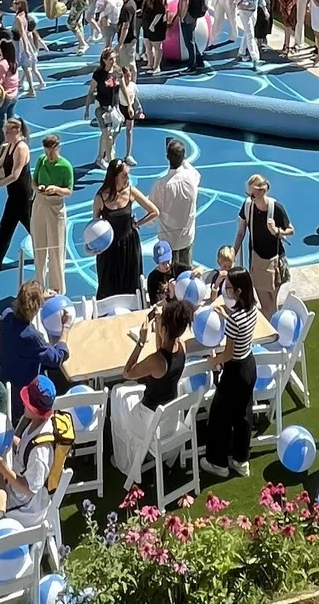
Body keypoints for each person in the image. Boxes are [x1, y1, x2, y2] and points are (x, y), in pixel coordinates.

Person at [109, 294, 192, 488]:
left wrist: (140, 341)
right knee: (126, 394)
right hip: (169, 418)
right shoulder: (182, 347)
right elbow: (163, 348)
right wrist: (159, 324)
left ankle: (123, 460)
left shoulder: (156, 361)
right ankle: (134, 453)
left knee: (118, 393)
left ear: (163, 329)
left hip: (148, 420)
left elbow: (127, 372)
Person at [0, 373, 66, 527]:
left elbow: (28, 490)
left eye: (27, 402)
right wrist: (7, 438)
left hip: (26, 510)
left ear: (35, 409)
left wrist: (2, 467)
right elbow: (25, 446)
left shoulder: (40, 452)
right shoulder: (38, 424)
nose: (23, 402)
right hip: (18, 492)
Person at [201, 266, 259, 477]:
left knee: (220, 415)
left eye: (230, 288)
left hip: (235, 370)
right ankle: (241, 460)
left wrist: (213, 361)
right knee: (244, 415)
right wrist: (226, 315)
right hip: (249, 365)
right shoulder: (252, 309)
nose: (227, 291)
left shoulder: (234, 320)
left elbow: (228, 353)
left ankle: (218, 463)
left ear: (239, 292)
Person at [0, 278, 71, 398]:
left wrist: (40, 297)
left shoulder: (6, 316)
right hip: (23, 394)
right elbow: (58, 358)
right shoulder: (31, 337)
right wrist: (65, 327)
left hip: (4, 380)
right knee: (61, 375)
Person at [92, 157, 156, 298]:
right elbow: (94, 225)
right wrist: (93, 245)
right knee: (108, 286)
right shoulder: (100, 198)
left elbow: (154, 211)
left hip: (129, 247)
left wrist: (138, 224)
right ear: (115, 177)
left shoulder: (131, 191)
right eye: (125, 175)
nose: (128, 178)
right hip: (108, 250)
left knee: (132, 286)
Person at [233, 173, 293, 317]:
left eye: (253, 194)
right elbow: (241, 232)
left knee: (272, 304)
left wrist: (276, 230)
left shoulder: (276, 208)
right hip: (257, 260)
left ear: (262, 191)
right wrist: (233, 253)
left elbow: (291, 230)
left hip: (275, 261)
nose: (250, 198)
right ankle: (274, 333)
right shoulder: (248, 206)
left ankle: (274, 333)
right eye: (248, 194)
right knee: (266, 306)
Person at [0, 117, 35, 274]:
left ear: (17, 132)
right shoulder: (9, 146)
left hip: (23, 197)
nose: (5, 135)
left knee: (33, 229)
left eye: (8, 132)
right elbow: (0, 162)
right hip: (13, 196)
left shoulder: (21, 149)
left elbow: (15, 175)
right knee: (5, 229)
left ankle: (46, 252)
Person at [31, 130, 73, 295]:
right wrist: (38, 188)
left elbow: (69, 190)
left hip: (55, 205)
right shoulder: (41, 160)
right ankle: (39, 286)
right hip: (40, 202)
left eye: (51, 151)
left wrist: (56, 189)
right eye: (46, 151)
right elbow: (33, 181)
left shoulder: (65, 166)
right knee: (39, 246)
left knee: (56, 249)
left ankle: (58, 290)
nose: (49, 155)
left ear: (58, 148)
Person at [150, 137, 201, 271]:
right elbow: (193, 172)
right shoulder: (192, 178)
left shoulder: (160, 185)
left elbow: (151, 210)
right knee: (186, 273)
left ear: (167, 157)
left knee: (168, 278)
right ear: (184, 157)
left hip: (167, 241)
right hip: (186, 237)